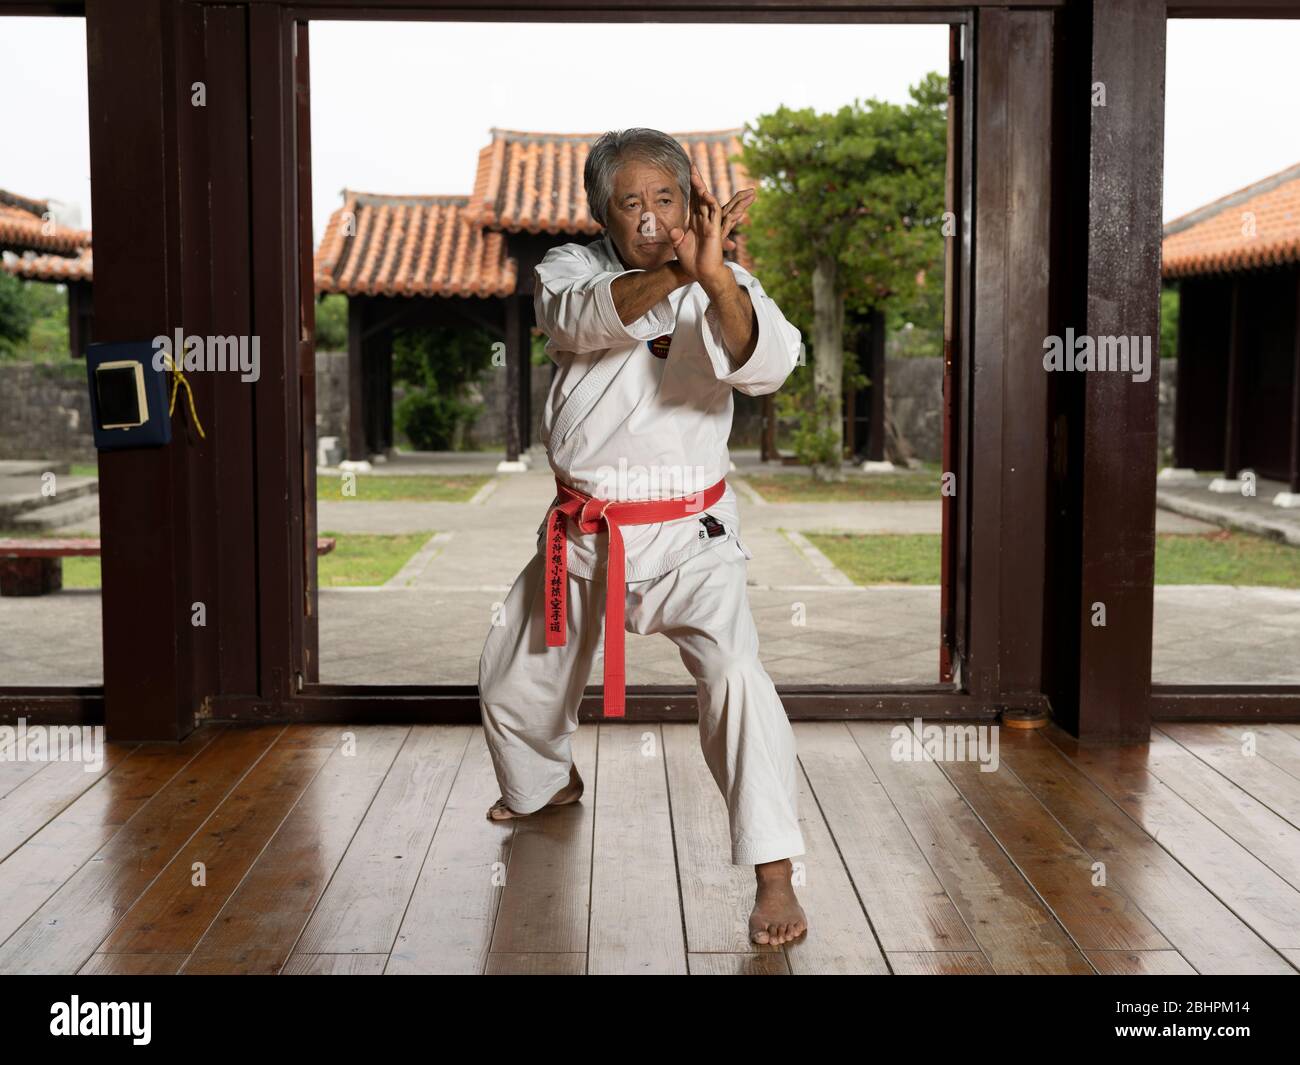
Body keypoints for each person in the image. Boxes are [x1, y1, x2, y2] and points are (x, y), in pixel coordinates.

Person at [477, 127, 807, 946]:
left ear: (692, 202)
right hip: (585, 533)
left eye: (668, 199)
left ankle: (774, 873)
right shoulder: (570, 269)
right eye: (634, 203)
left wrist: (713, 275)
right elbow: (584, 321)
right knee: (511, 680)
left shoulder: (726, 285)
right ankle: (549, 783)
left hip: (690, 538)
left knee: (736, 676)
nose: (654, 218)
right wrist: (678, 268)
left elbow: (764, 362)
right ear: (603, 213)